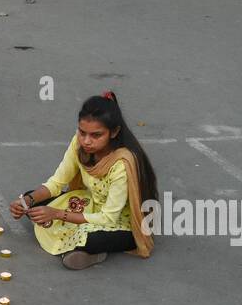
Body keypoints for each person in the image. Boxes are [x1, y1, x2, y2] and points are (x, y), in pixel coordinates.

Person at [8, 91, 158, 270]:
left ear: (114, 132)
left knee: (91, 238)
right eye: (82, 132)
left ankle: (91, 251)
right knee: (33, 201)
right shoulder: (78, 144)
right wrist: (27, 201)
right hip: (90, 203)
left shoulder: (122, 163)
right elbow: (57, 183)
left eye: (96, 135)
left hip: (121, 222)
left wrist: (56, 214)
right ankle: (76, 248)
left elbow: (109, 218)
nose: (86, 141)